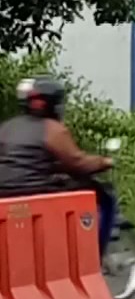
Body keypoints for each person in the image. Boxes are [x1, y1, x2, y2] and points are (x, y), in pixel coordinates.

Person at [0, 76, 115, 256]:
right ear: (54, 104)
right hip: (36, 190)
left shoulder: (7, 127)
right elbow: (78, 163)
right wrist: (104, 162)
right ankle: (94, 251)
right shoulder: (53, 129)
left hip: (4, 191)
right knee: (103, 194)